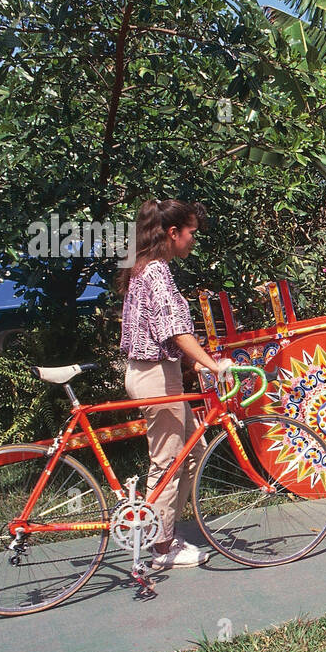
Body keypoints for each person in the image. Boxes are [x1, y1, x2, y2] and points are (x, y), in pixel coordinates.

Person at [116, 198, 232, 570]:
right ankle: (161, 549)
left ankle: (161, 530)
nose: (193, 240)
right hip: (153, 376)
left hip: (156, 372)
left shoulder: (147, 268)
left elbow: (164, 333)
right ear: (172, 233)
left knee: (192, 453)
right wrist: (211, 364)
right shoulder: (155, 273)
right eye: (191, 233)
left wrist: (190, 363)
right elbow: (176, 331)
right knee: (167, 460)